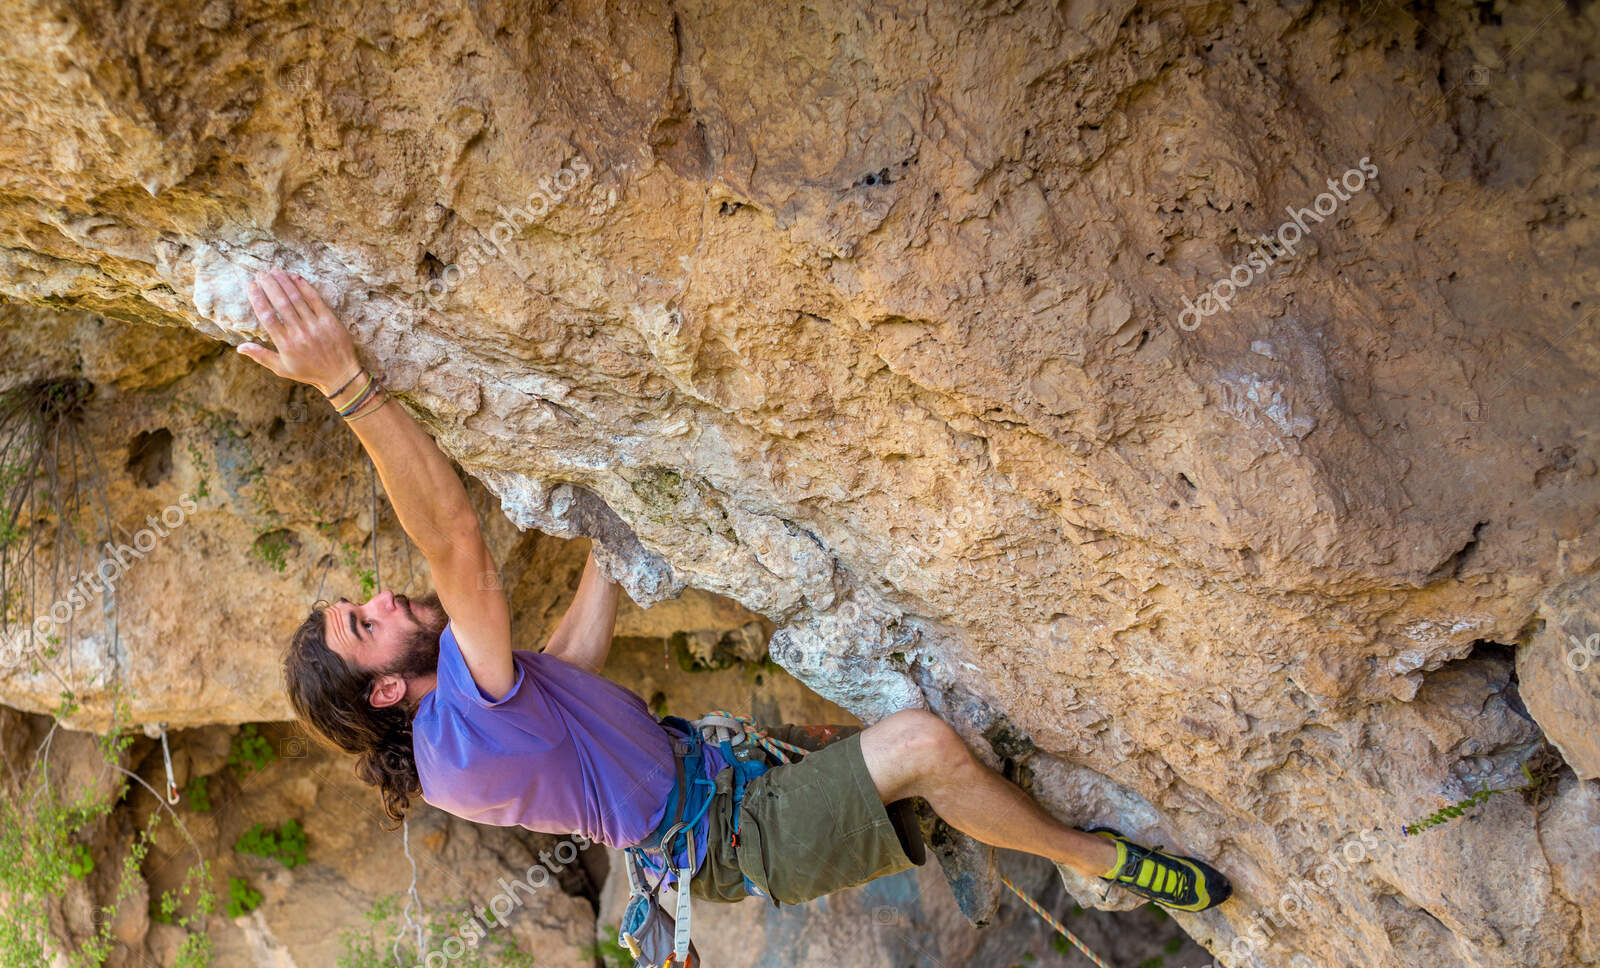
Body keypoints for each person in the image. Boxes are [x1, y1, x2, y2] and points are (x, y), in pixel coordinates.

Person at [243, 270, 1231, 916]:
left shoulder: (472, 717)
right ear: (380, 689)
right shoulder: (454, 735)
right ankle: (1093, 863)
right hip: (728, 834)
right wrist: (347, 386)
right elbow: (456, 539)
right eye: (364, 625)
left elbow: (565, 675)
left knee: (925, 751)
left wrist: (609, 546)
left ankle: (1007, 831)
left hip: (722, 794)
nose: (383, 599)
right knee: (925, 745)